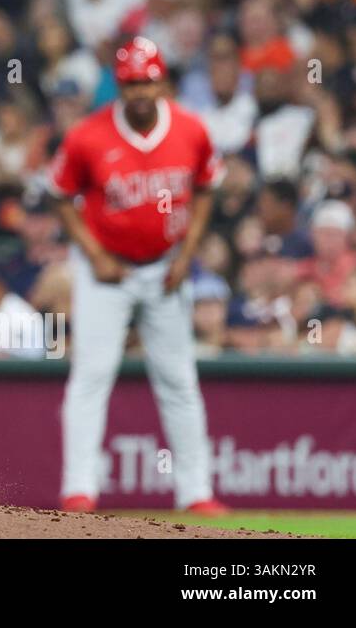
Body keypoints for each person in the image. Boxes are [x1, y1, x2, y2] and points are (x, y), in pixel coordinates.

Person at [48, 36, 230, 515]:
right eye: (130, 84)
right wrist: (93, 253)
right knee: (91, 376)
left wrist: (188, 254)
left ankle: (196, 493)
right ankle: (79, 490)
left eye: (148, 82)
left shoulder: (192, 129)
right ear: (119, 87)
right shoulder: (88, 135)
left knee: (178, 380)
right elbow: (59, 195)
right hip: (106, 270)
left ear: (163, 82)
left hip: (166, 267)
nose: (140, 93)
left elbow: (208, 188)